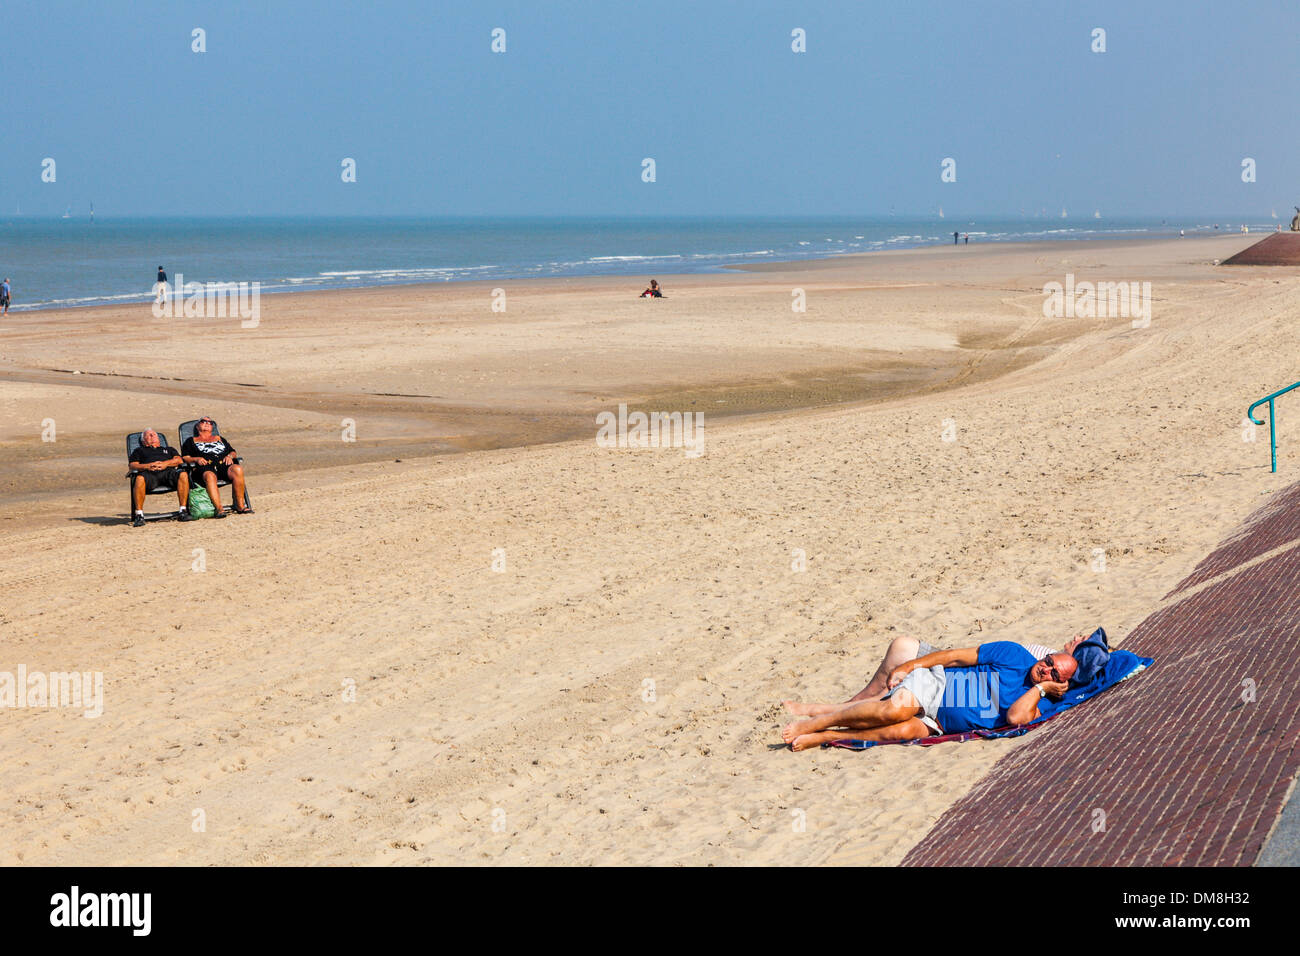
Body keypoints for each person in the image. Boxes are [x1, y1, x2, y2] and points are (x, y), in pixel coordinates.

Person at [780, 639, 1078, 751]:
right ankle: (816, 722)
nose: (1046, 670)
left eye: (1054, 674)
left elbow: (1015, 718)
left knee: (894, 733)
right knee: (892, 712)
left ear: (1060, 684)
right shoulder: (1013, 654)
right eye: (1048, 662)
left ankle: (825, 735)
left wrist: (1040, 689)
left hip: (940, 724)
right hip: (937, 685)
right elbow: (954, 657)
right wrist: (910, 665)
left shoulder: (1040, 703)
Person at [181, 416, 252, 516]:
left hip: (223, 465)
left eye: (210, 422)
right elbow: (185, 457)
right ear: (197, 426)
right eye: (203, 421)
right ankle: (219, 508)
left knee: (237, 469)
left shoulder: (219, 439)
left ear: (212, 427)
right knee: (210, 475)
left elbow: (233, 451)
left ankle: (240, 505)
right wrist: (196, 459)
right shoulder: (191, 440)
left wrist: (230, 456)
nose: (207, 423)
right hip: (205, 466)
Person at [129, 428, 191, 527]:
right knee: (139, 478)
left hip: (168, 473)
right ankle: (139, 515)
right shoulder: (139, 451)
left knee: (183, 474)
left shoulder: (169, 449)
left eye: (154, 435)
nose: (152, 436)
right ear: (144, 441)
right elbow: (132, 465)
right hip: (149, 474)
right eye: (149, 435)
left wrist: (165, 464)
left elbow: (179, 460)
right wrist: (148, 466)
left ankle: (183, 511)